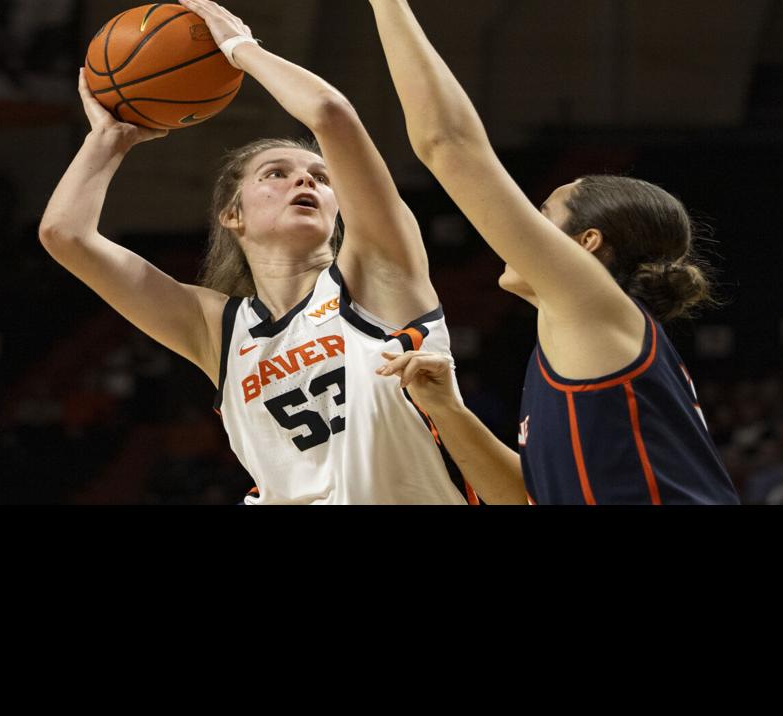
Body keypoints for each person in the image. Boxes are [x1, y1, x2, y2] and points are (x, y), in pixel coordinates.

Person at [39, 0, 468, 504]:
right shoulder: (216, 327)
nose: (305, 178)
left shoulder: (379, 273)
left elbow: (331, 115)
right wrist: (109, 140)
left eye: (320, 177)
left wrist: (241, 49)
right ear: (232, 215)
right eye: (275, 174)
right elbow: (64, 236)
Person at [367, 0, 739, 505]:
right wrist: (448, 409)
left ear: (587, 244)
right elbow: (525, 498)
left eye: (542, 216)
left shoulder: (594, 306)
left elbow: (446, 143)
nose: (520, 231)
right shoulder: (575, 342)